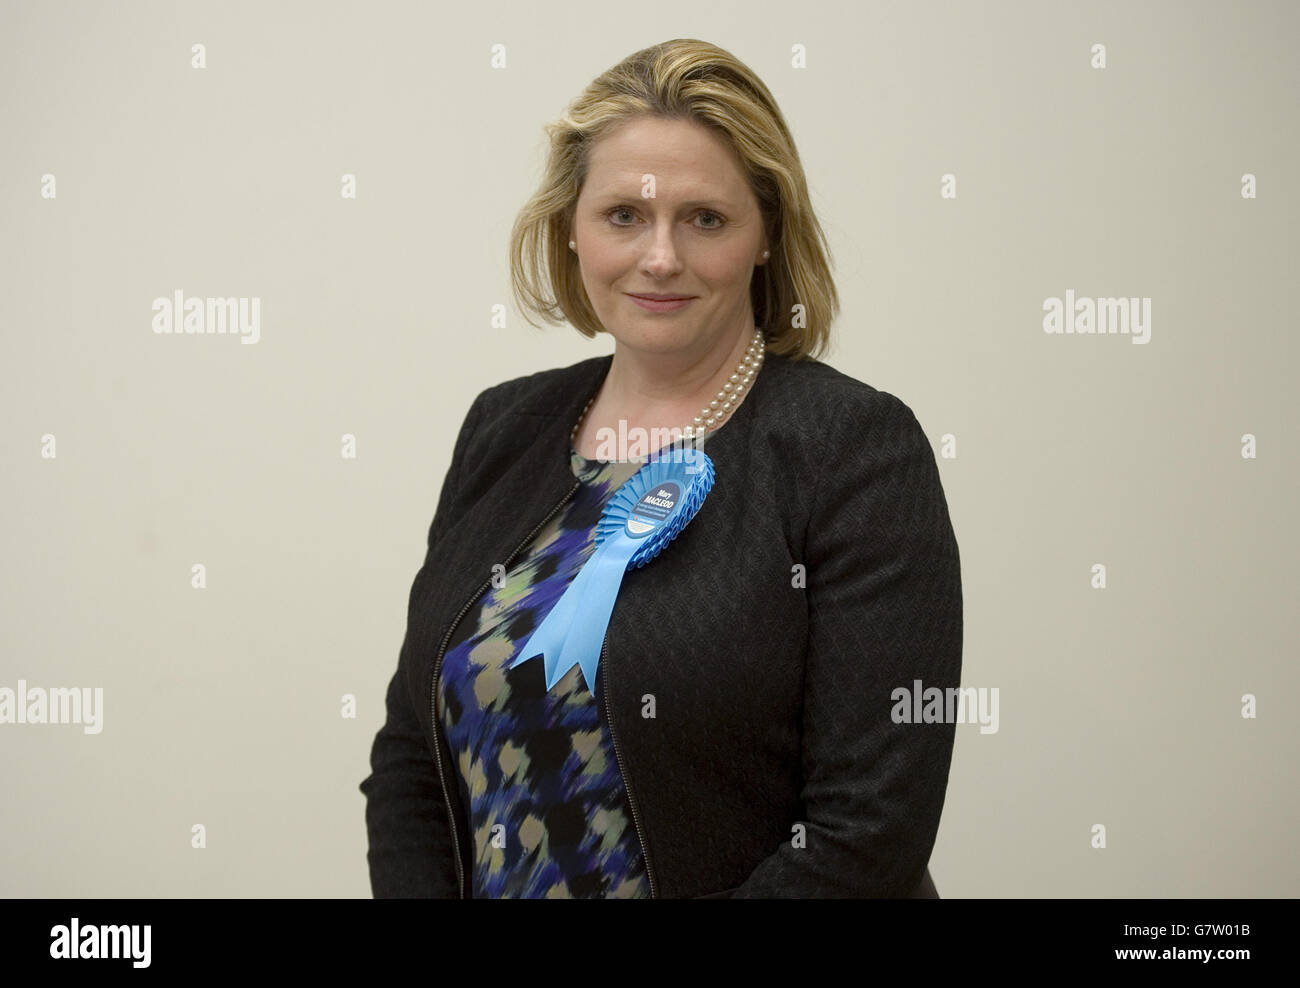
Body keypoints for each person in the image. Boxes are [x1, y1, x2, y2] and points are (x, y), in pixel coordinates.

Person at [359, 38, 962, 898]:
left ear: (766, 235)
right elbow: (412, 760)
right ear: (571, 229)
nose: (661, 258)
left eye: (705, 219)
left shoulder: (853, 448)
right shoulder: (503, 428)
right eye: (624, 216)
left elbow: (867, 828)